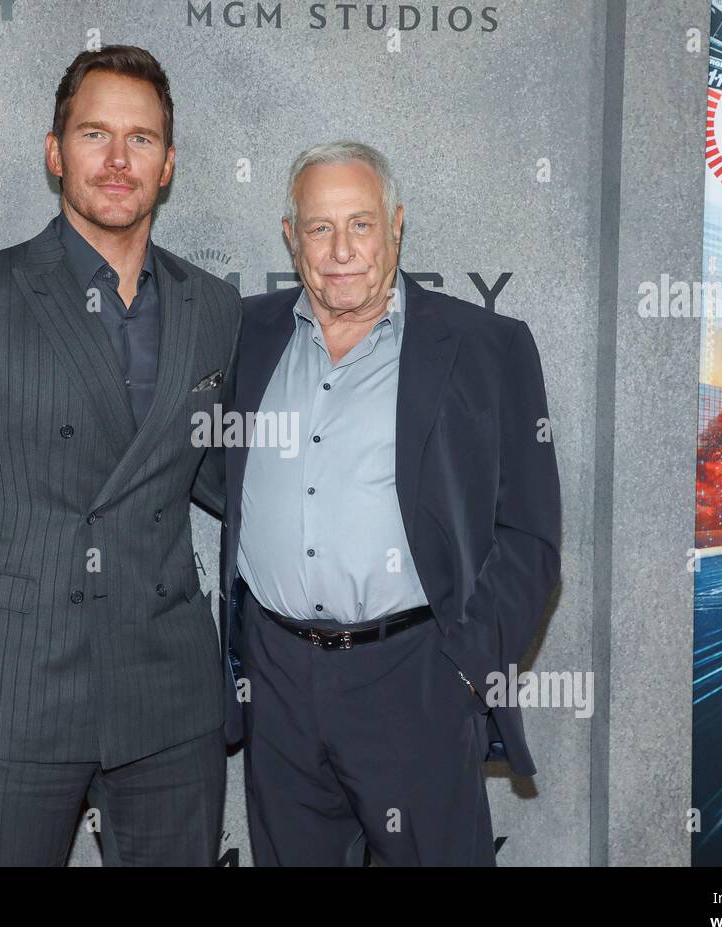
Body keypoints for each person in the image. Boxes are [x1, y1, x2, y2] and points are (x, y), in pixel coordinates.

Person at [0, 44, 240, 866]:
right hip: (6, 695)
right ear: (54, 152)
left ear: (168, 164)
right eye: (94, 134)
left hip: (170, 700)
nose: (117, 160)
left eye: (141, 140)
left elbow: (230, 477)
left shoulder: (212, 309)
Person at [217, 141, 561, 865]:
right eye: (319, 227)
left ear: (397, 226)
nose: (341, 249)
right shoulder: (243, 334)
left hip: (414, 679)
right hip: (276, 683)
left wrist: (466, 667)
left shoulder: (485, 346)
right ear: (291, 236)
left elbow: (530, 533)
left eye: (361, 225)